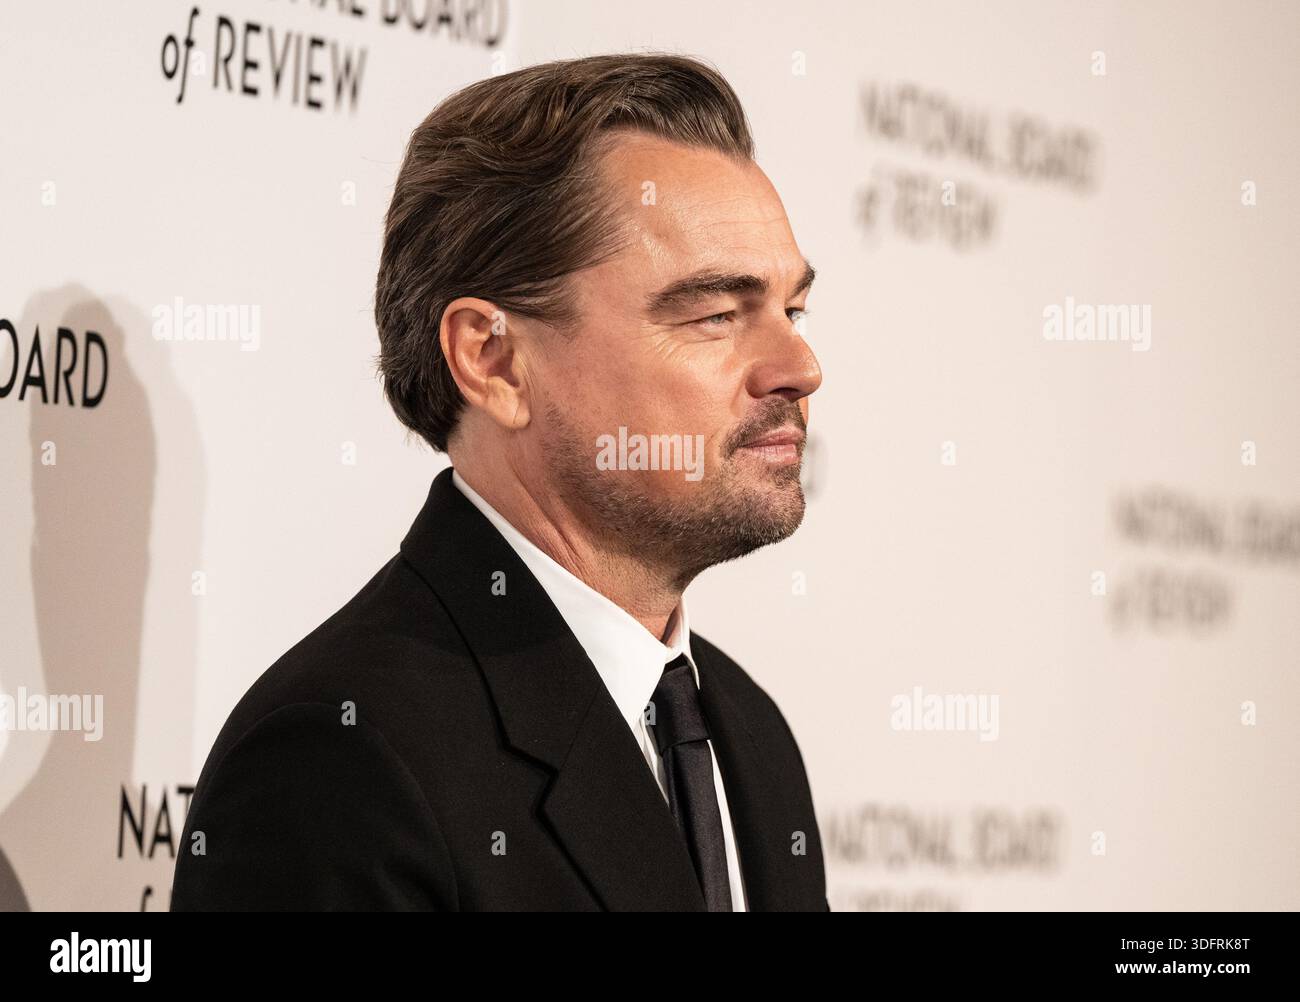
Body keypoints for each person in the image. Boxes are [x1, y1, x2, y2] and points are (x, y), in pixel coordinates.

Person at [171, 52, 827, 911]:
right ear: (494, 361)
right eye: (714, 315)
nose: (799, 366)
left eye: (794, 310)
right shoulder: (343, 757)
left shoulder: (748, 737)